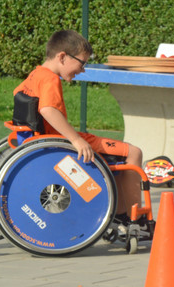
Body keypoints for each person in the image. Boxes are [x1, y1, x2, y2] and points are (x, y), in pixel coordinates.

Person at [13, 30, 144, 219]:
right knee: (133, 153)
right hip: (58, 145)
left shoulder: (35, 75)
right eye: (82, 63)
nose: (82, 70)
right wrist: (76, 140)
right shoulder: (50, 79)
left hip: (38, 142)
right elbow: (48, 110)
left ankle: (119, 211)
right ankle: (131, 218)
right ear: (63, 57)